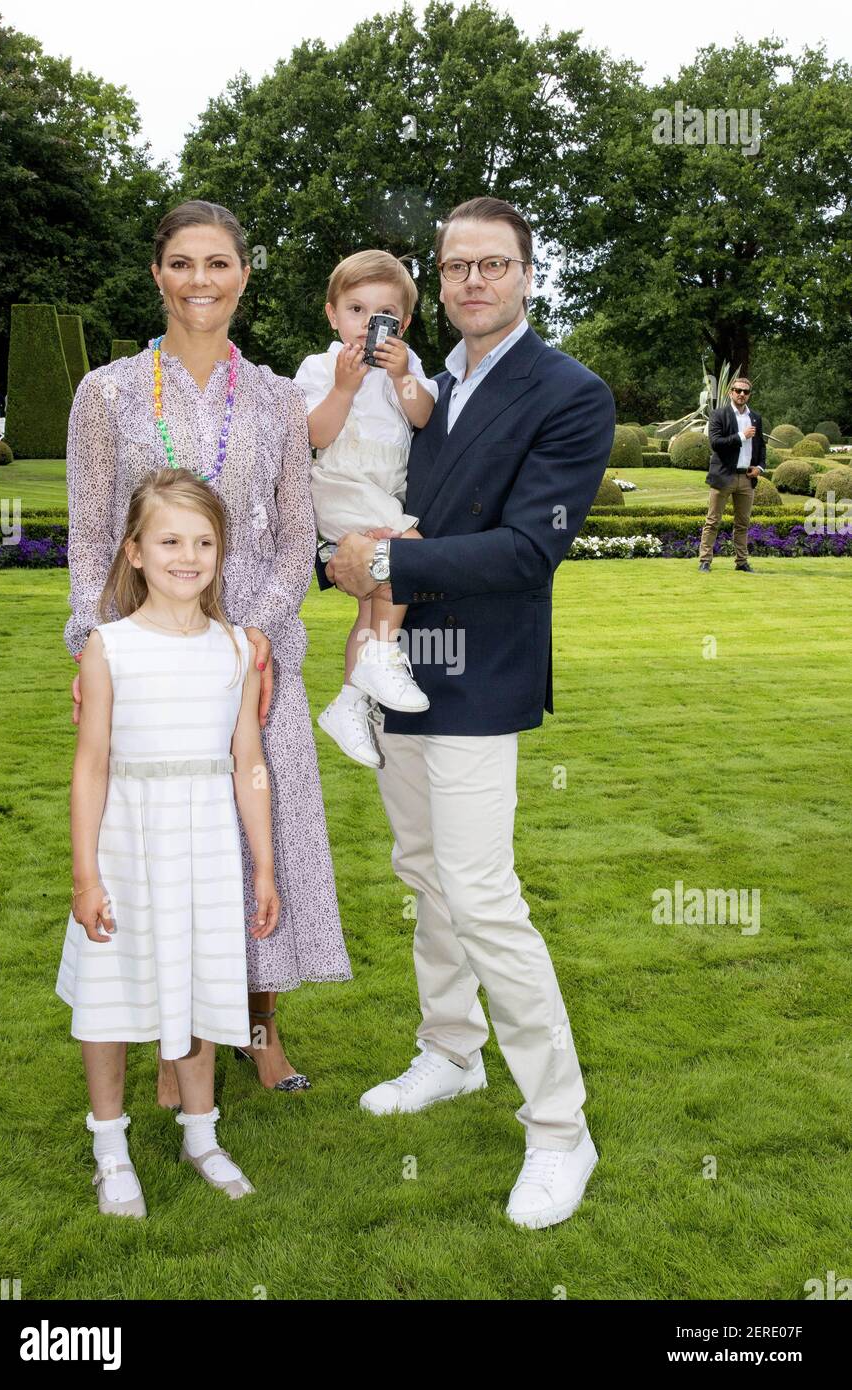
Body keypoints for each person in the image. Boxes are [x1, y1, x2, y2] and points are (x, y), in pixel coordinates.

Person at [326, 196, 615, 1229]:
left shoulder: (570, 393)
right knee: (423, 874)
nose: (474, 282)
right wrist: (341, 556)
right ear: (437, 280)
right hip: (398, 665)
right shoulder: (421, 382)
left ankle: (560, 1128)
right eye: (457, 267)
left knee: (483, 891)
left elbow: (528, 551)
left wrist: (385, 560)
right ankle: (450, 1050)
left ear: (529, 274)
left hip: (481, 677)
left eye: (495, 264)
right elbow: (357, 491)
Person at [65, 200, 351, 1104]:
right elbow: (88, 538)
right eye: (182, 263)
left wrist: (253, 639)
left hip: (253, 658)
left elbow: (293, 531)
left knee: (251, 841)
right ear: (157, 274)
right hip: (145, 658)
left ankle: (260, 1029)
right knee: (157, 845)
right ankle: (168, 1035)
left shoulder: (275, 398)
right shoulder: (105, 393)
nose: (200, 281)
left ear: (243, 275)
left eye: (218, 263)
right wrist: (91, 648)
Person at [56, 468, 279, 1216]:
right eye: (171, 540)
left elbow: (249, 762)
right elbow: (89, 766)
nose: (190, 555)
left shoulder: (235, 650)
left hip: (207, 845)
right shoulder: (108, 647)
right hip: (127, 843)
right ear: (136, 552)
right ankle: (109, 1146)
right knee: (113, 992)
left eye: (205, 541)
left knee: (202, 979)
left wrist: (266, 865)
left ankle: (201, 1134)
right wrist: (86, 875)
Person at [294, 251, 438, 768]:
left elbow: (423, 415)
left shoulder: (408, 364)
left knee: (374, 598)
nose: (367, 324)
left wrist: (402, 377)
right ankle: (382, 658)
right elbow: (314, 435)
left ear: (401, 323)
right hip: (338, 485)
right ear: (333, 315)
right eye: (355, 309)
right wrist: (344, 387)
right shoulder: (319, 366)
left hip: (383, 496)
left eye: (383, 315)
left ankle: (350, 702)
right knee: (413, 555)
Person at [698, 376, 766, 572]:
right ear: (731, 392)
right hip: (723, 476)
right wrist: (742, 436)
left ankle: (742, 562)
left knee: (743, 523)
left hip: (746, 477)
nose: (741, 394)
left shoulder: (755, 418)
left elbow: (761, 446)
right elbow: (716, 443)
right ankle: (705, 561)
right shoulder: (719, 415)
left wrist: (759, 468)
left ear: (749, 395)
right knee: (713, 521)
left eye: (745, 392)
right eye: (738, 390)